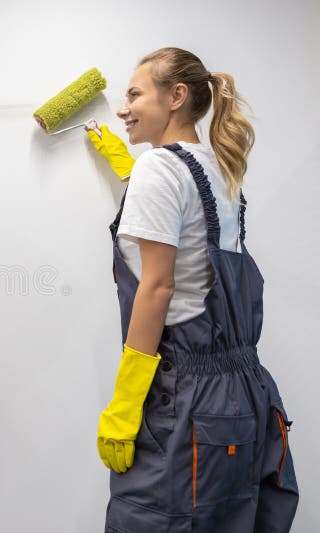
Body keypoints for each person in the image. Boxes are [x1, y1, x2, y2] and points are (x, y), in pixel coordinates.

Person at [89, 48, 299, 532]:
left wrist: (126, 401)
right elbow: (187, 238)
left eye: (135, 94)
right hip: (241, 392)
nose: (123, 107)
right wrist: (125, 166)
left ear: (177, 96)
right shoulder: (218, 168)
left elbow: (159, 286)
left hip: (187, 398)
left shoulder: (159, 169)